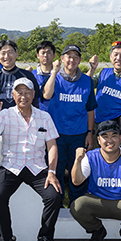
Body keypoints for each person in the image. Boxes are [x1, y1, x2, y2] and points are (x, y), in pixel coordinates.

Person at [0, 78, 62, 241]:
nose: (23, 96)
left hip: (37, 166)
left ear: (33, 94)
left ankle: (45, 237)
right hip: (11, 165)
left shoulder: (44, 116)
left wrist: (51, 172)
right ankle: (6, 239)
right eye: (19, 92)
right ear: (13, 95)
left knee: (54, 195)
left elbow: (52, 146)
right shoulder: (5, 114)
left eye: (27, 92)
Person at [70, 120, 121, 241]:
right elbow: (77, 181)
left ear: (120, 138)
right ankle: (97, 230)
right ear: (98, 140)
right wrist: (77, 161)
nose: (110, 140)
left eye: (114, 135)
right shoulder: (90, 156)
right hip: (98, 200)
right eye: (105, 136)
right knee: (78, 206)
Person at [42, 44, 97, 202]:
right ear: (62, 58)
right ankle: (55, 206)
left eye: (75, 57)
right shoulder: (55, 78)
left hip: (79, 135)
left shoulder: (87, 81)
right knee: (56, 172)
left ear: (79, 60)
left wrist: (90, 133)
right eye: (68, 56)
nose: (71, 59)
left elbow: (90, 110)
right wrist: (54, 72)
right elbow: (46, 95)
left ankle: (77, 206)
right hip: (57, 135)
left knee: (78, 173)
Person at [0, 39, 40, 168]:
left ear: (16, 54)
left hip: (22, 126)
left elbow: (36, 99)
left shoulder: (27, 75)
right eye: (3, 53)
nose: (7, 56)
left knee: (23, 162)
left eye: (10, 52)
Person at [32, 40, 56, 112]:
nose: (45, 55)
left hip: (56, 117)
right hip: (37, 116)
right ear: (38, 55)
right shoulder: (31, 75)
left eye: (49, 53)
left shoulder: (60, 75)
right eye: (43, 53)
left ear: (54, 55)